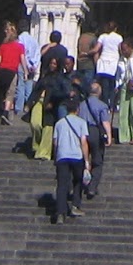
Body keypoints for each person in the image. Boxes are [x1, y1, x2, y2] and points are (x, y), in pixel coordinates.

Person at [51, 91, 91, 224]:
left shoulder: (59, 123)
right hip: (76, 156)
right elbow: (83, 142)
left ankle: (60, 213)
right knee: (78, 181)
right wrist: (86, 160)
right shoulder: (81, 122)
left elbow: (55, 143)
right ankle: (75, 206)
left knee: (62, 185)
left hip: (62, 156)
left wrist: (56, 157)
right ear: (78, 109)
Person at [78, 79, 112, 196]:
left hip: (82, 131)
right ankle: (92, 186)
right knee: (97, 160)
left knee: (83, 158)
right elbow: (105, 122)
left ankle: (78, 184)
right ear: (99, 92)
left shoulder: (82, 105)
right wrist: (109, 135)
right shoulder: (102, 105)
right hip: (95, 132)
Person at [0, 21, 25, 124]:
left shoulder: (3, 46)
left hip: (1, 71)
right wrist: (26, 71)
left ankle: (4, 109)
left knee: (3, 91)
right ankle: (5, 113)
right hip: (11, 71)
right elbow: (22, 59)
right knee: (10, 93)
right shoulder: (20, 46)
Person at [92, 19, 124, 111]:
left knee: (104, 86)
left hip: (103, 64)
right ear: (116, 28)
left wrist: (86, 53)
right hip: (113, 63)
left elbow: (96, 49)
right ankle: (112, 105)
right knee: (113, 86)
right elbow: (120, 50)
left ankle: (105, 105)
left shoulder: (103, 36)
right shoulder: (119, 37)